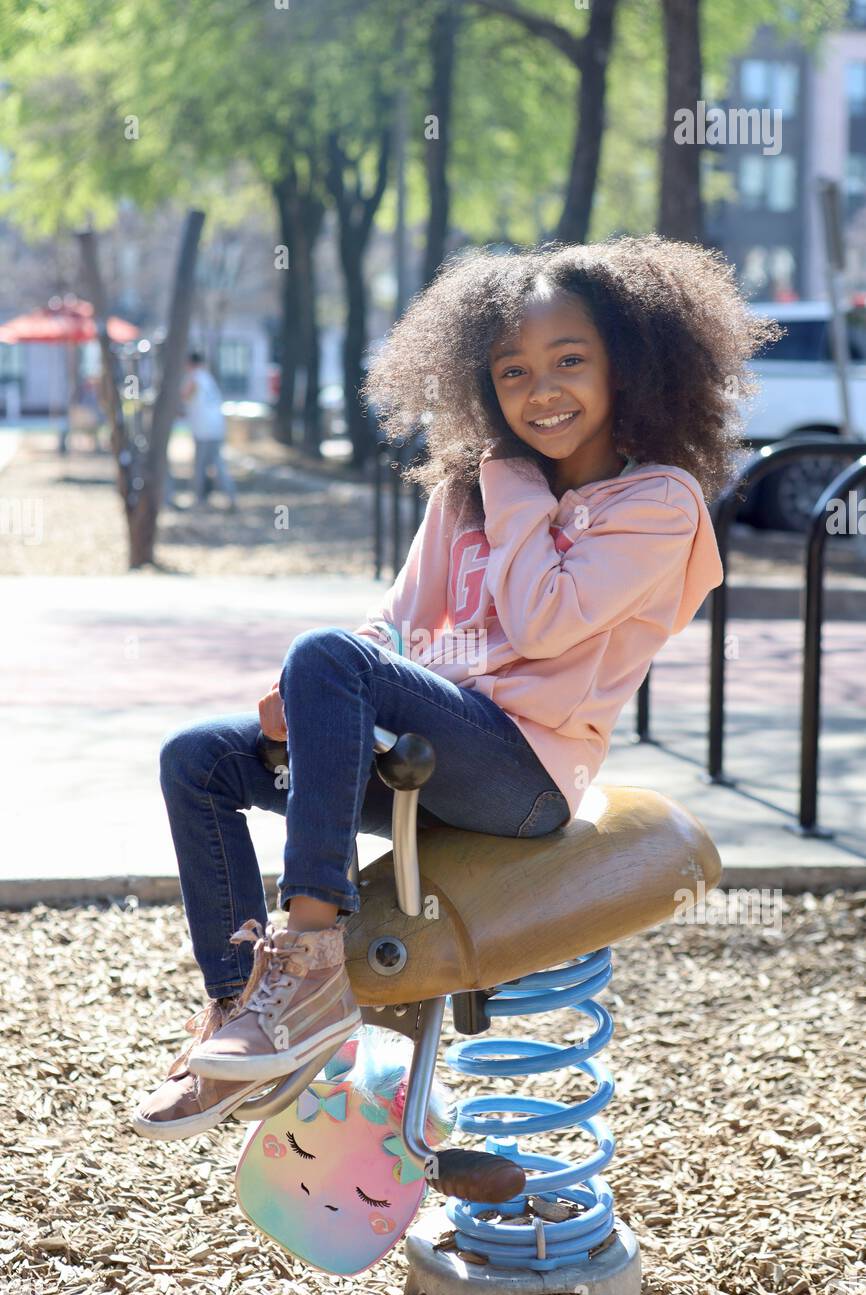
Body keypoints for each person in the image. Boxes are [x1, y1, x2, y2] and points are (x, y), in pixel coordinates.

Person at [132, 235, 780, 1140]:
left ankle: (310, 963)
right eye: (512, 372)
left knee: (327, 658)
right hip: (425, 756)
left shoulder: (657, 505)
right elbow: (392, 625)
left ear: (627, 368)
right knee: (198, 759)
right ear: (483, 385)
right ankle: (246, 1009)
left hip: (522, 780)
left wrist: (512, 484)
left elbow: (547, 619)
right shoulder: (465, 495)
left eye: (568, 361)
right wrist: (301, 693)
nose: (541, 391)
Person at [182, 350, 237, 508]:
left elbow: (184, 397)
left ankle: (198, 499)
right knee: (218, 464)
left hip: (203, 430)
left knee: (200, 466)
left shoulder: (194, 378)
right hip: (217, 427)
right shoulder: (207, 378)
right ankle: (230, 495)